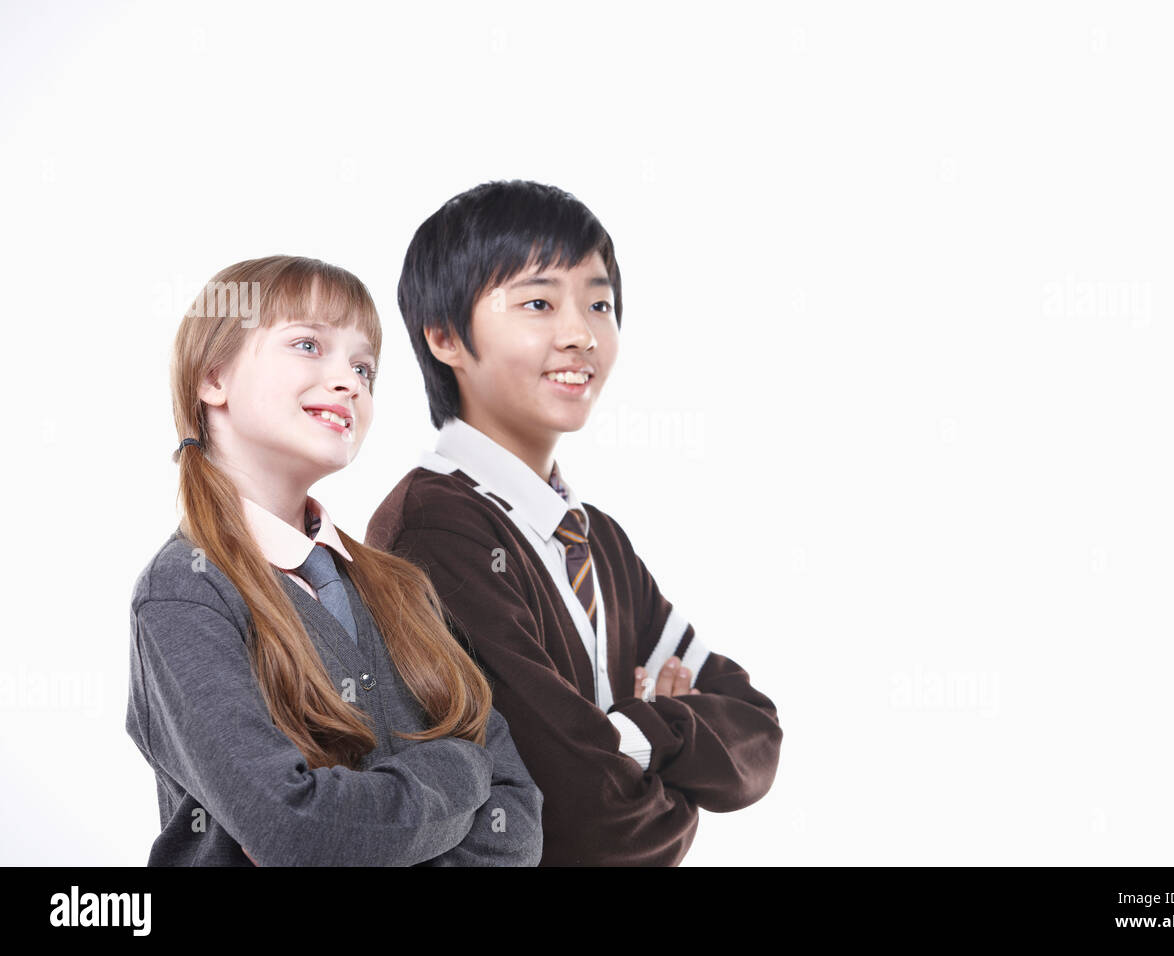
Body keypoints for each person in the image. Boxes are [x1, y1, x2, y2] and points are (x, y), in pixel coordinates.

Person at [366, 180, 783, 865]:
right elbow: (583, 816)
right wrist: (679, 790)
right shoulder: (436, 531)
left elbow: (756, 735)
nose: (581, 334)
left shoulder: (597, 540)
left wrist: (639, 735)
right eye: (538, 303)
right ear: (443, 335)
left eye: (599, 303)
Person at [126, 255, 543, 866]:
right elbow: (298, 830)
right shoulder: (186, 593)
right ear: (212, 378)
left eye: (362, 367)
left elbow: (519, 821)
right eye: (306, 344)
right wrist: (460, 767)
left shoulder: (401, 586)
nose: (349, 380)